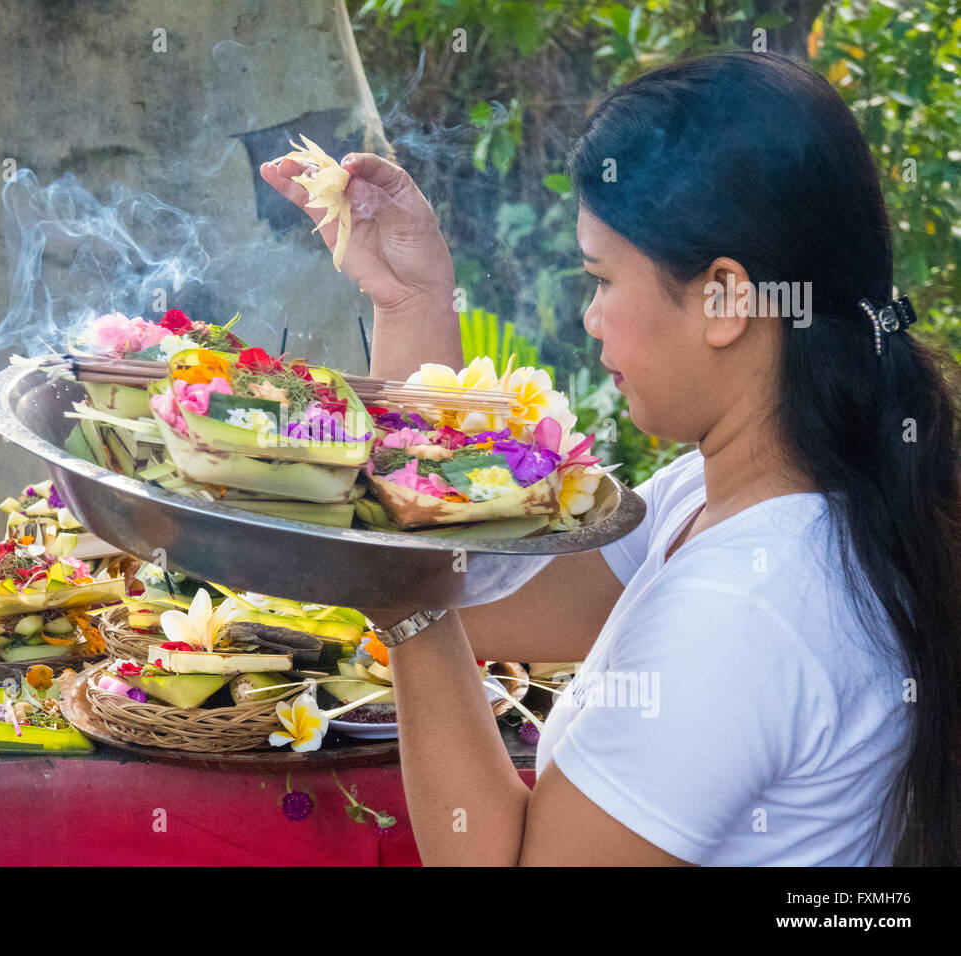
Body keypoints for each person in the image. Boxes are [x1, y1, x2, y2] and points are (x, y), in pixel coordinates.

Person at [261, 50, 961, 866]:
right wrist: (411, 297)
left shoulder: (743, 613)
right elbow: (478, 597)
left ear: (727, 299)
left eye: (600, 279)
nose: (591, 319)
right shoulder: (722, 498)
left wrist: (404, 607)